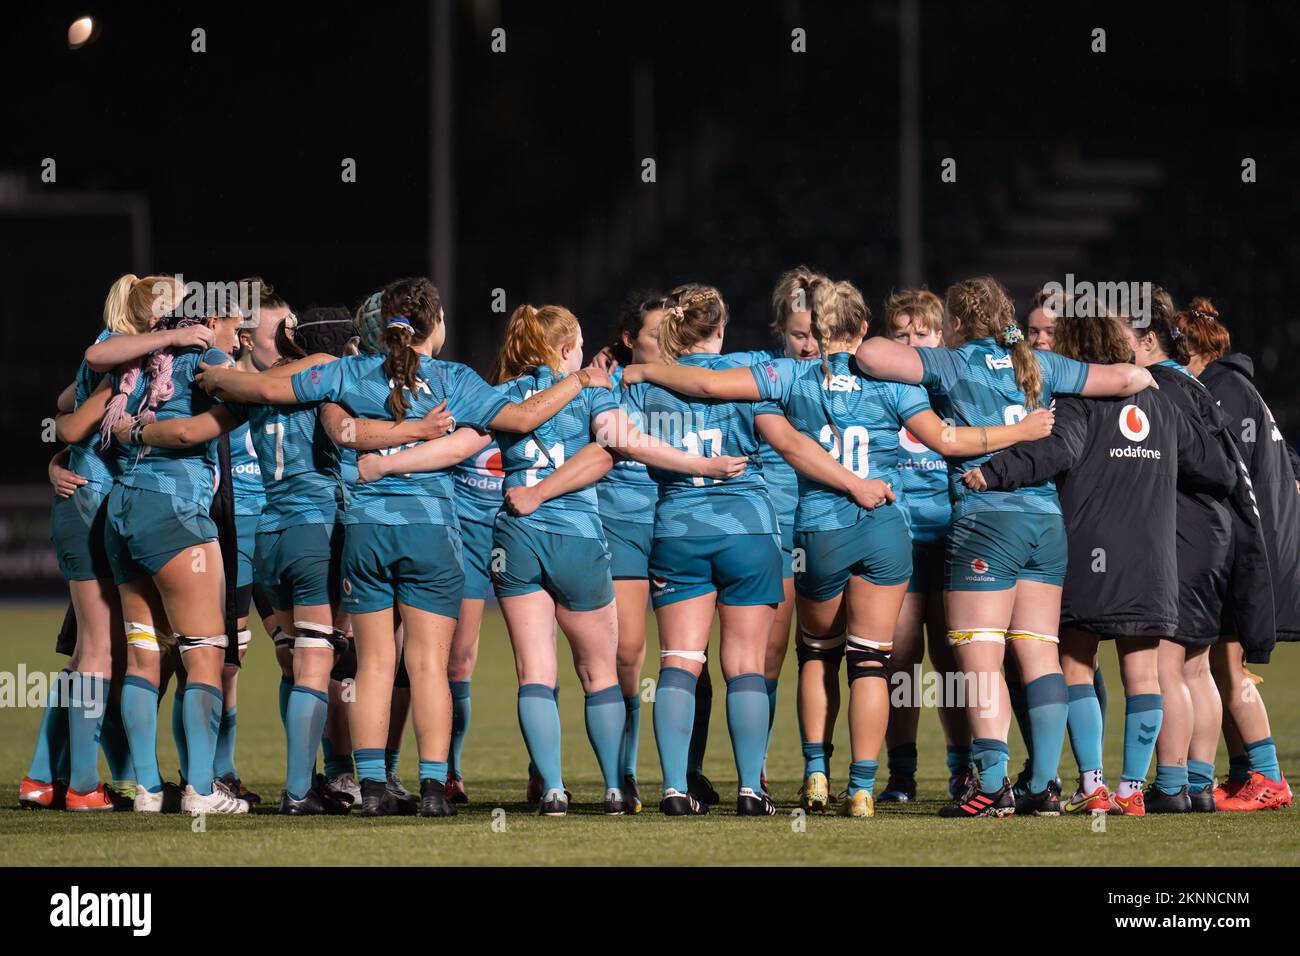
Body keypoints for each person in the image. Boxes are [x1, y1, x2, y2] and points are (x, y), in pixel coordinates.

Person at [626, 278, 1053, 816]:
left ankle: (809, 775)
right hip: (883, 527)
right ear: (866, 329)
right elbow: (946, 440)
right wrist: (1020, 432)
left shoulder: (788, 374)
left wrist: (641, 370)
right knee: (873, 663)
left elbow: (708, 390)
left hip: (812, 531)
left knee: (808, 657)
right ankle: (863, 788)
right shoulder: (899, 386)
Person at [197, 277, 612, 817]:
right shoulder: (454, 379)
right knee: (427, 668)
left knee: (372, 665)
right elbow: (526, 417)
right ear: (435, 324)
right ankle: (434, 791)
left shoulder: (348, 373)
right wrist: (580, 379)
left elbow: (271, 390)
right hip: (432, 533)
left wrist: (216, 376)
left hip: (366, 531)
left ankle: (370, 788)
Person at [855, 276, 1152, 817]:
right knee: (1039, 653)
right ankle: (1044, 785)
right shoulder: (1041, 365)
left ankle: (991, 784)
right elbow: (1131, 376)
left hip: (987, 521)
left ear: (959, 324)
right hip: (1045, 523)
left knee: (979, 661)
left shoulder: (953, 362)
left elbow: (871, 354)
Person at [965, 309, 1234, 815]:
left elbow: (1054, 453)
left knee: (1074, 663)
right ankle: (1134, 789)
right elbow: (1204, 465)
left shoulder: (1079, 401)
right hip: (1153, 556)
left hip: (1091, 551)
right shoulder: (1162, 400)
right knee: (1144, 673)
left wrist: (992, 471)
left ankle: (1093, 785)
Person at [1182, 299, 1296, 811]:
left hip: (1246, 547)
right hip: (1255, 542)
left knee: (1228, 668)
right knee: (1224, 665)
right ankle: (1245, 773)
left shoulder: (1220, 390)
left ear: (1191, 348)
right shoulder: (1238, 386)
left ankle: (1269, 779)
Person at [874, 289, 974, 802]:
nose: (911, 344)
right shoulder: (877, 392)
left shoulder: (959, 390)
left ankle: (963, 770)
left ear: (942, 337)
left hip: (956, 540)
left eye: (922, 334)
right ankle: (902, 773)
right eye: (901, 334)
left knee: (954, 662)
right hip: (900, 542)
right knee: (901, 659)